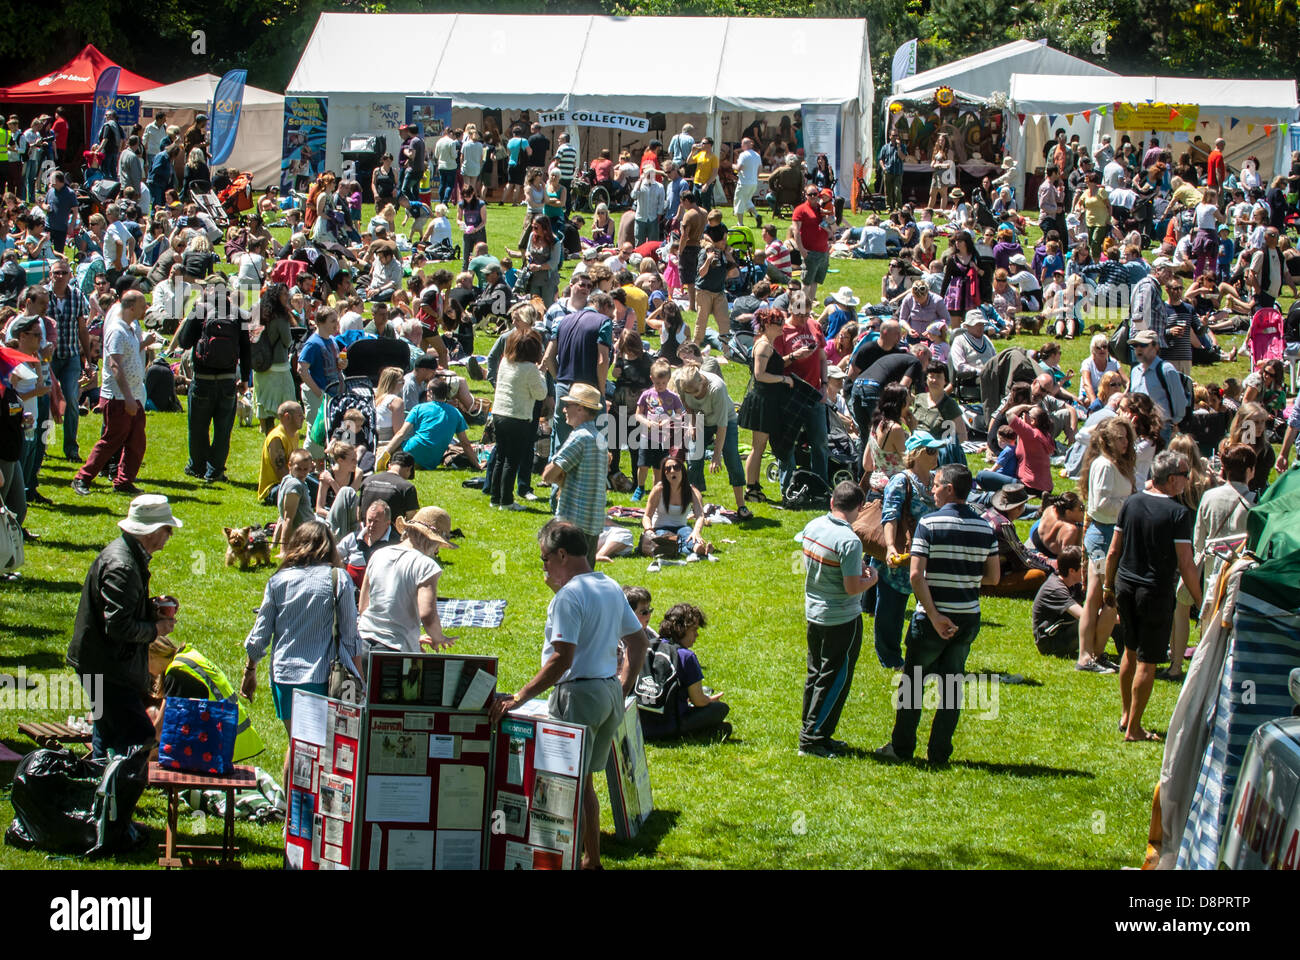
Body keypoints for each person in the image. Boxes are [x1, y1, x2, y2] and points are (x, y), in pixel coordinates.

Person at [489, 520, 650, 871]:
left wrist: (518, 696)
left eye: (545, 558)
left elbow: (562, 659)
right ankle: (590, 858)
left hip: (577, 696)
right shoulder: (607, 585)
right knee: (584, 785)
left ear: (562, 554)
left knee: (564, 788)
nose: (543, 565)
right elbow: (638, 641)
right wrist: (622, 685)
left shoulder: (569, 595)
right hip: (607, 693)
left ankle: (568, 859)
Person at [876, 464, 997, 764]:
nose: (932, 489)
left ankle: (902, 747)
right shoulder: (985, 526)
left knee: (913, 684)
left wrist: (933, 615)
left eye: (937, 484)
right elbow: (993, 577)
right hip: (967, 617)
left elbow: (916, 575)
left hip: (931, 617)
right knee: (952, 686)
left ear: (950, 489)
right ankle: (939, 752)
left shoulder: (929, 523)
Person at [243, 522, 362, 789]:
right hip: (321, 676)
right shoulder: (338, 578)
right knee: (314, 748)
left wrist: (250, 670)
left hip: (284, 675)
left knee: (297, 744)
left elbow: (260, 634)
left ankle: (291, 815)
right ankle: (303, 817)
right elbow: (350, 635)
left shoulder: (278, 580)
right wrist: (360, 676)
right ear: (329, 546)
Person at [67, 494, 181, 757]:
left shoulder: (128, 556)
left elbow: (120, 611)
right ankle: (116, 794)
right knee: (137, 737)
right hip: (108, 669)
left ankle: (100, 792)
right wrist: (156, 630)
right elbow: (118, 627)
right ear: (150, 531)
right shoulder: (123, 565)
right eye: (167, 529)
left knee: (106, 737)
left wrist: (152, 608)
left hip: (101, 664)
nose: (170, 535)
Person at [1104, 451, 1201, 742]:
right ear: (1171, 479)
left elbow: (1113, 551)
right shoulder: (1178, 514)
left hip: (1125, 586)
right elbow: (1186, 563)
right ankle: (1134, 729)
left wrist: (1108, 586)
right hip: (1155, 593)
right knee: (1147, 662)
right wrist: (1200, 600)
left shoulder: (1132, 502)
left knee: (1129, 653)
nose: (1187, 479)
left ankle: (1125, 714)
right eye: (1185, 475)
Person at [795, 481, 876, 757]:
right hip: (841, 617)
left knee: (816, 673)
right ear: (860, 508)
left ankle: (814, 728)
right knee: (835, 679)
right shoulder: (850, 541)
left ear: (832, 502)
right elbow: (853, 587)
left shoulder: (814, 525)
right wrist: (871, 579)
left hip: (814, 612)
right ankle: (812, 739)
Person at [871, 433, 946, 669]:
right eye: (931, 451)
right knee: (891, 610)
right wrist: (890, 547)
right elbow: (890, 516)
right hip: (901, 558)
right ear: (917, 454)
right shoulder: (901, 481)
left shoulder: (935, 480)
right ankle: (890, 658)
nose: (936, 456)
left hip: (927, 556)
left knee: (929, 607)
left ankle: (927, 654)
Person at [72, 291, 156, 496]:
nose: (147, 308)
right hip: (119, 397)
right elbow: (115, 365)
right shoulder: (117, 331)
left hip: (133, 395)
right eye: (143, 304)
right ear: (131, 308)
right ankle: (82, 477)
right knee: (111, 440)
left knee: (136, 441)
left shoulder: (129, 329)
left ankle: (124, 481)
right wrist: (127, 397)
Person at [175, 278, 251, 483]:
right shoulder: (239, 314)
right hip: (228, 379)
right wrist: (245, 378)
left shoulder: (201, 311)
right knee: (223, 429)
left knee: (198, 426)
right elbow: (246, 350)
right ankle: (215, 470)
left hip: (202, 378)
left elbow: (184, 341)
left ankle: (197, 466)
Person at [357, 506, 456, 653]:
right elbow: (427, 613)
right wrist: (438, 637)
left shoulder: (378, 554)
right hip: (393, 648)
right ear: (432, 541)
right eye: (438, 546)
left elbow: (363, 607)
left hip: (362, 641)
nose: (437, 551)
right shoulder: (425, 565)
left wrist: (413, 637)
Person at [637, 603, 730, 740]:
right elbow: (698, 701)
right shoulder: (686, 656)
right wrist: (710, 700)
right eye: (694, 630)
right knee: (721, 708)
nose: (697, 635)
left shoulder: (647, 646)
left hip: (641, 723)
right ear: (681, 629)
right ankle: (702, 732)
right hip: (669, 724)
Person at [541, 383, 609, 567]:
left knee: (566, 579)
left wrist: (557, 473)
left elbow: (547, 475)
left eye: (568, 405)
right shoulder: (599, 438)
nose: (563, 409)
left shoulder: (580, 437)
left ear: (580, 408)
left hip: (572, 524)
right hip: (592, 523)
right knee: (585, 579)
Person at [738, 308, 795, 503]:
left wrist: (793, 357)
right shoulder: (763, 345)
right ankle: (751, 488)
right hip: (762, 401)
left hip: (767, 400)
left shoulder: (766, 344)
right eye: (779, 324)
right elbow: (760, 374)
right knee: (758, 447)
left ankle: (753, 487)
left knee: (759, 447)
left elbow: (772, 366)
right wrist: (784, 379)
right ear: (768, 325)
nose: (782, 327)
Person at [677, 365, 749, 519]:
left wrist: (716, 456)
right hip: (701, 419)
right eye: (690, 393)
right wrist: (692, 424)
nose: (694, 395)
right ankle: (696, 507)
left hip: (725, 419)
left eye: (696, 392)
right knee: (694, 458)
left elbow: (722, 425)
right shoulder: (681, 381)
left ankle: (741, 505)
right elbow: (687, 405)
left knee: (731, 455)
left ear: (702, 382)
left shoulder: (717, 388)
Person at [489, 328, 546, 510]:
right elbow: (541, 393)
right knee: (512, 461)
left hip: (499, 413)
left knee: (500, 457)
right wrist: (542, 374)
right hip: (518, 417)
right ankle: (506, 501)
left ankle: (495, 497)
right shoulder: (530, 369)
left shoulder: (505, 362)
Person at [381, 378, 479, 472]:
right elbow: (465, 443)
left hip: (410, 453)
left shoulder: (419, 408)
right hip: (432, 461)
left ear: (430, 392)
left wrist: (385, 453)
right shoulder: (456, 412)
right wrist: (477, 465)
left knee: (381, 449)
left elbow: (401, 434)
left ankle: (383, 460)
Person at [296, 306, 345, 460]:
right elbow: (301, 369)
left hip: (332, 392)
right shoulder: (313, 343)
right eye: (332, 321)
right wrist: (317, 391)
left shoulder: (332, 340)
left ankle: (320, 466)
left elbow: (335, 363)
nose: (336, 324)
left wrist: (342, 364)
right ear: (320, 322)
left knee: (329, 430)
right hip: (317, 394)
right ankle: (306, 466)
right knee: (316, 432)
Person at [1128, 329, 1187, 444]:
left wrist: (1173, 424)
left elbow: (1179, 400)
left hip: (1161, 429)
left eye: (1143, 345)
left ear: (1156, 347)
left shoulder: (1166, 370)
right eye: (1135, 345)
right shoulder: (1135, 371)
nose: (1138, 349)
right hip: (1138, 428)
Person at [1032, 546, 1086, 658]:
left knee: (1107, 615)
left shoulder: (1074, 583)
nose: (1087, 571)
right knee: (1098, 620)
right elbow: (1084, 616)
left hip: (1063, 629)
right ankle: (1095, 657)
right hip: (1050, 642)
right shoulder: (1055, 589)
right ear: (1072, 571)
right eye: (1084, 568)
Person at [338, 498, 396, 588]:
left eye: (376, 521)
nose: (371, 525)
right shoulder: (352, 539)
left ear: (387, 523)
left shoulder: (396, 545)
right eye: (369, 520)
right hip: (349, 594)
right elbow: (332, 557)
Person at [257, 400, 304, 504]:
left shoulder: (294, 434)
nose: (303, 418)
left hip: (292, 479)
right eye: (299, 415)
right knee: (305, 489)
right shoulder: (276, 438)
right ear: (287, 417)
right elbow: (282, 474)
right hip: (275, 488)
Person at [792, 185, 830, 302]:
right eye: (810, 194)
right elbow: (796, 231)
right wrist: (802, 250)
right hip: (810, 252)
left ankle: (809, 308)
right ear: (806, 196)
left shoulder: (822, 209)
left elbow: (832, 227)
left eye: (815, 194)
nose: (813, 197)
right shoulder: (800, 210)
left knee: (815, 282)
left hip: (823, 251)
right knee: (806, 283)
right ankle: (799, 309)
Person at [275, 449, 317, 551]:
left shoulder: (287, 479)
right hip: (306, 533)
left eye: (305, 469)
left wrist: (274, 544)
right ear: (290, 465)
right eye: (298, 469)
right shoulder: (295, 485)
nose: (302, 473)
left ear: (311, 467)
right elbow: (287, 518)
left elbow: (281, 518)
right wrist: (283, 549)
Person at [361, 450, 420, 521]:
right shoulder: (407, 487)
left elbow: (358, 513)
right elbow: (411, 520)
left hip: (365, 529)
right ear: (409, 469)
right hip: (391, 531)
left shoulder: (367, 481)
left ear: (389, 466)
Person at [732, 137, 762, 227]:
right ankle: (757, 215)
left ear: (745, 145)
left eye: (742, 144)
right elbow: (760, 168)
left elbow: (738, 168)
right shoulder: (757, 155)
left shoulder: (743, 155)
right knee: (747, 200)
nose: (741, 145)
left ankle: (740, 223)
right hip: (753, 183)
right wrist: (755, 177)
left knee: (739, 201)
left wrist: (733, 166)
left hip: (744, 183)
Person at [878, 132, 904, 211]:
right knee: (888, 191)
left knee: (897, 190)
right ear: (890, 136)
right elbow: (880, 159)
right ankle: (889, 207)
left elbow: (902, 157)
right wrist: (883, 168)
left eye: (896, 135)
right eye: (893, 135)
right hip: (888, 171)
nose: (895, 137)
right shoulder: (885, 147)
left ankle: (898, 207)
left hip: (898, 172)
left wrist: (899, 147)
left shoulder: (902, 146)